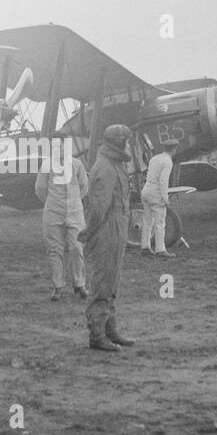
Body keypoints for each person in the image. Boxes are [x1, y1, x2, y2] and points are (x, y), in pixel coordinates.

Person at [80, 124, 135, 352]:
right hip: (106, 231)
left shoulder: (115, 164)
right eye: (128, 140)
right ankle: (97, 335)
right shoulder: (106, 168)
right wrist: (89, 233)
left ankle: (110, 330)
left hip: (116, 230)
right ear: (120, 142)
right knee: (102, 284)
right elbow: (98, 208)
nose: (130, 144)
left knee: (112, 283)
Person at [35, 133, 90, 299]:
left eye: (60, 146)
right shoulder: (46, 166)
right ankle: (58, 286)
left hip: (74, 211)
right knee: (54, 249)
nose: (57, 149)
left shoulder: (77, 165)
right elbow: (40, 189)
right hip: (53, 211)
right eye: (54, 146)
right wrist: (53, 203)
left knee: (77, 247)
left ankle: (79, 284)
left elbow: (84, 187)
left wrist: (73, 203)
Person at [140, 137, 180, 257]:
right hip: (156, 192)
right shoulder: (167, 162)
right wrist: (165, 198)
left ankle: (145, 247)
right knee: (160, 222)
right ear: (174, 149)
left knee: (147, 221)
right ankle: (160, 250)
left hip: (146, 190)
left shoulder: (155, 158)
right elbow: (163, 181)